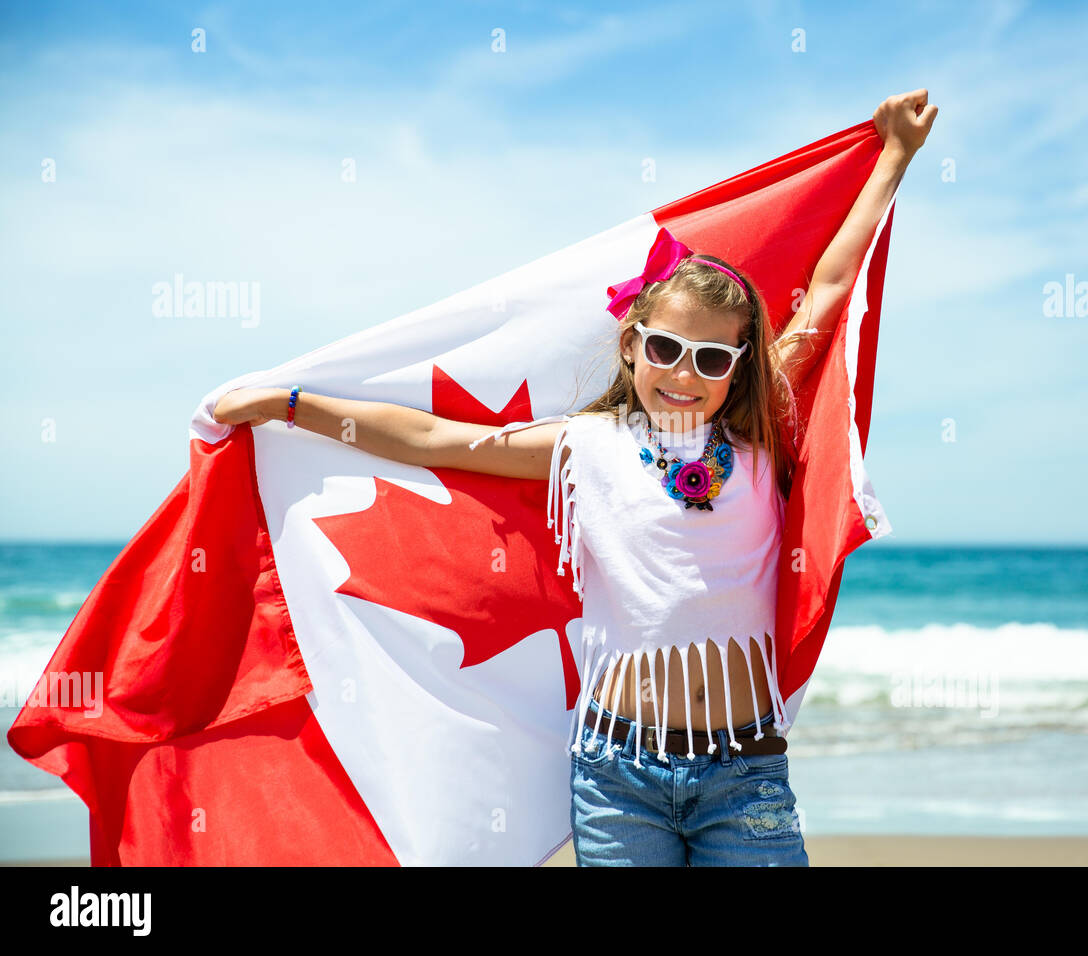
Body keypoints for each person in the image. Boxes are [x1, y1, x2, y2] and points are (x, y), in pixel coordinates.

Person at [215, 89, 937, 866]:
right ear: (632, 346)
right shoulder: (585, 446)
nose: (685, 374)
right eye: (665, 349)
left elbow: (827, 292)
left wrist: (894, 155)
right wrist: (291, 405)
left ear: (737, 370)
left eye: (712, 359)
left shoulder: (759, 443)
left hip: (744, 772)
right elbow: (434, 438)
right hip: (617, 776)